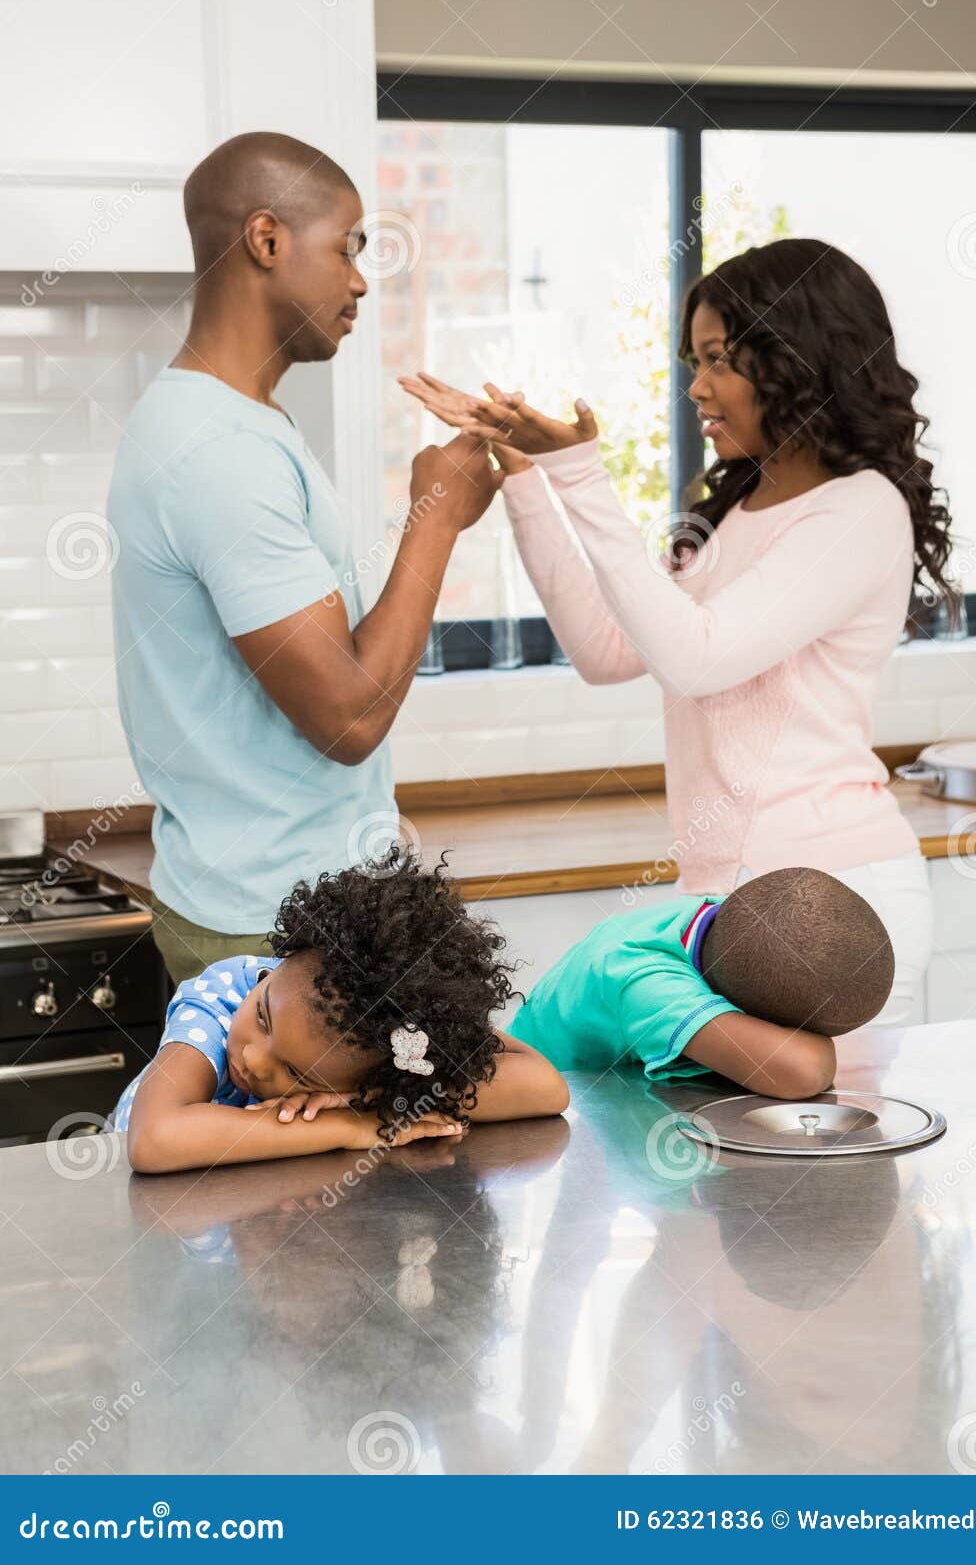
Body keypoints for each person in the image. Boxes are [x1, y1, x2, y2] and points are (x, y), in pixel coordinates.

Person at [401, 238, 957, 1016]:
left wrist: (581, 473)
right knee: (729, 1135)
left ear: (797, 359)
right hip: (726, 901)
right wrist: (528, 479)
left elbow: (695, 660)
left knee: (821, 1134)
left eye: (718, 359)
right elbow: (605, 650)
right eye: (694, 361)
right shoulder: (733, 506)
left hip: (833, 898)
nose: (696, 387)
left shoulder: (857, 510)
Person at [108, 132, 498, 989]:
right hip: (270, 929)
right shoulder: (218, 448)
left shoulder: (237, 422)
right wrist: (436, 522)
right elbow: (348, 721)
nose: (360, 279)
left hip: (278, 904)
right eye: (348, 247)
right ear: (267, 240)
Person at [114, 846, 569, 1173]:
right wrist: (350, 1128)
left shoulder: (375, 1038)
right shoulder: (226, 993)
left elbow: (546, 1089)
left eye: (298, 1073)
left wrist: (389, 1098)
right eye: (262, 1016)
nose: (253, 1058)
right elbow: (155, 1139)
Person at [509, 866, 895, 1099]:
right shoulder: (645, 980)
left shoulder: (736, 921)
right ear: (749, 1016)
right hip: (540, 1101)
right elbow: (804, 1071)